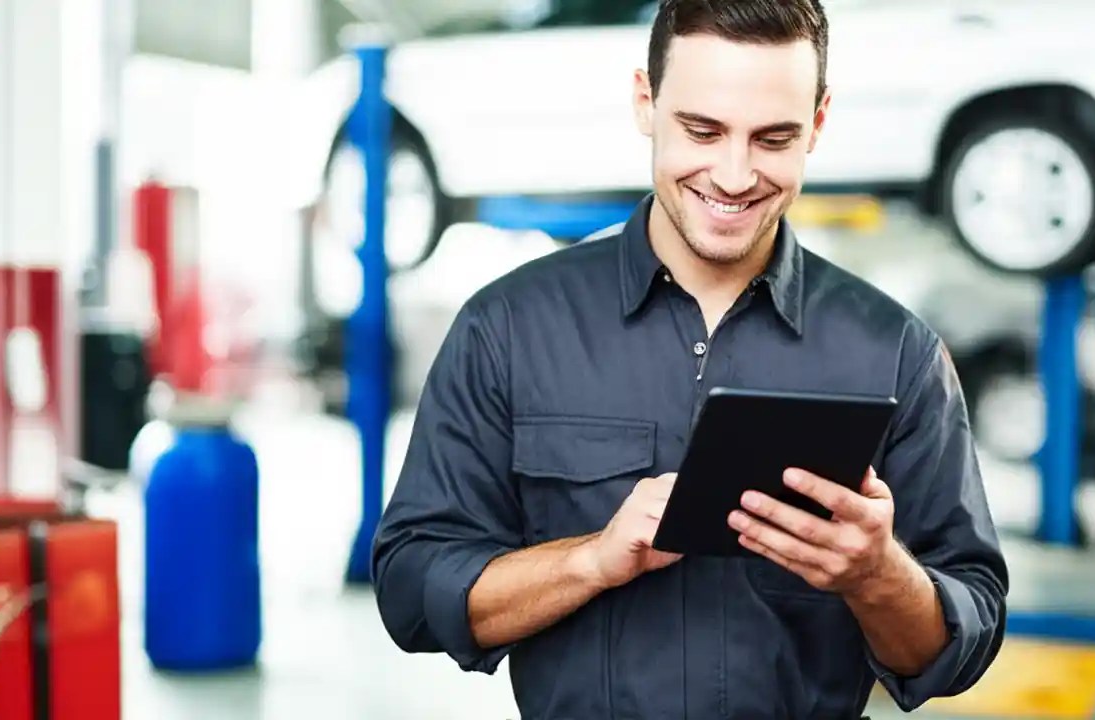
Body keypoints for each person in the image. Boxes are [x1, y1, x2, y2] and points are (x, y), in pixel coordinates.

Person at [372, 1, 1009, 717]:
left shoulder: (895, 354)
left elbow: (962, 645)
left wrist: (877, 574)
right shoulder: (509, 329)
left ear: (819, 125)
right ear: (646, 101)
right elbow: (412, 592)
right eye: (702, 131)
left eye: (773, 139)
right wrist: (589, 562)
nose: (734, 176)